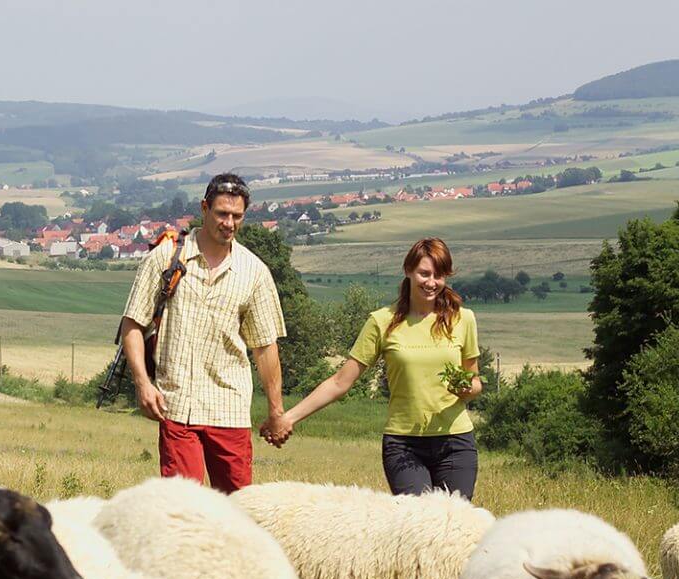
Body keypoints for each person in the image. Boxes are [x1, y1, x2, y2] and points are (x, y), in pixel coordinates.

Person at [262, 238, 483, 498]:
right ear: (408, 271)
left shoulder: (463, 319)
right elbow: (339, 382)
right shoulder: (382, 322)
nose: (431, 282)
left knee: (453, 527)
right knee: (415, 524)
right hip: (404, 445)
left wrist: (468, 388)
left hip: (455, 442)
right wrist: (288, 418)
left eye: (439, 275)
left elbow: (475, 381)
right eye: (424, 273)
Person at [118, 173, 285, 494]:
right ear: (204, 208)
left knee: (239, 510)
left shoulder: (254, 272)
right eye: (222, 213)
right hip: (178, 406)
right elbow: (133, 324)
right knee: (183, 509)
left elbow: (265, 347)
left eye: (237, 216)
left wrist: (275, 412)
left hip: (231, 410)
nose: (229, 223)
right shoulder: (165, 258)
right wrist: (142, 383)